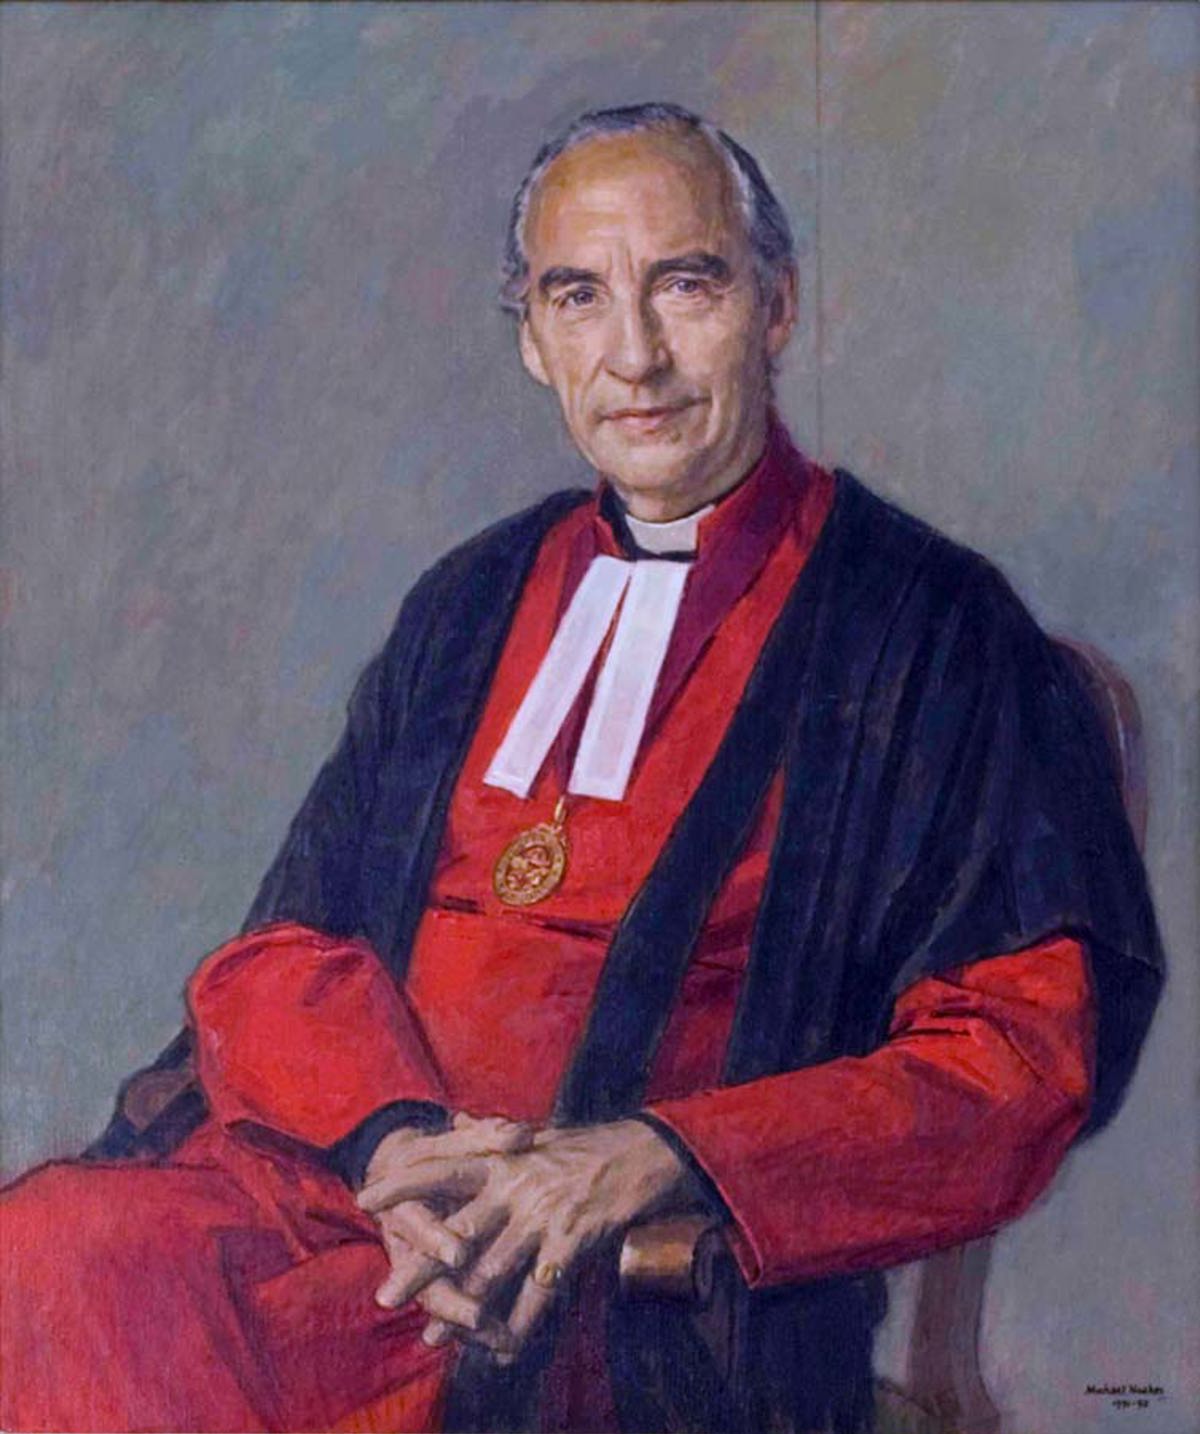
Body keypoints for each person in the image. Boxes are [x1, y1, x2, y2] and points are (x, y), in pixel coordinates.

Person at [1, 103, 1163, 1434]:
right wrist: (392, 1140)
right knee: (44, 1261)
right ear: (532, 340)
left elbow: (1018, 1057)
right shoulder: (472, 599)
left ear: (776, 307)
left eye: (687, 284)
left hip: (616, 1277)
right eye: (579, 296)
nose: (636, 355)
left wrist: (658, 1155)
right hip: (364, 1205)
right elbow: (286, 949)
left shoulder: (930, 631)